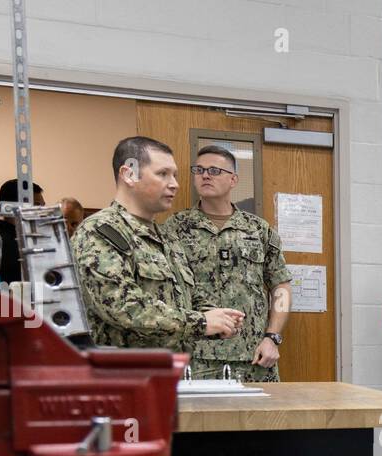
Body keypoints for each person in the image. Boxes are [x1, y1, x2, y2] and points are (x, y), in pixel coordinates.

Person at [71, 136, 238, 351]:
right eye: (162, 174)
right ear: (128, 174)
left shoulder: (165, 237)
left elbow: (188, 299)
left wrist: (220, 318)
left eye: (175, 175)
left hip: (171, 373)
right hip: (123, 376)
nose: (175, 184)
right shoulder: (99, 231)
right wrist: (201, 323)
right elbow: (122, 306)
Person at [164, 144, 290, 381]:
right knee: (200, 419)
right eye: (199, 169)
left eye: (214, 170)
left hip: (254, 357)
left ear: (233, 180)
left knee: (259, 418)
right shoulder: (176, 228)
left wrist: (272, 337)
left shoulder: (258, 229)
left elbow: (280, 285)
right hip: (196, 356)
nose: (204, 175)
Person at [0, 178, 45, 284]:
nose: (42, 212)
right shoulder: (23, 245)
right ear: (12, 207)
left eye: (43, 206)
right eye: (37, 205)